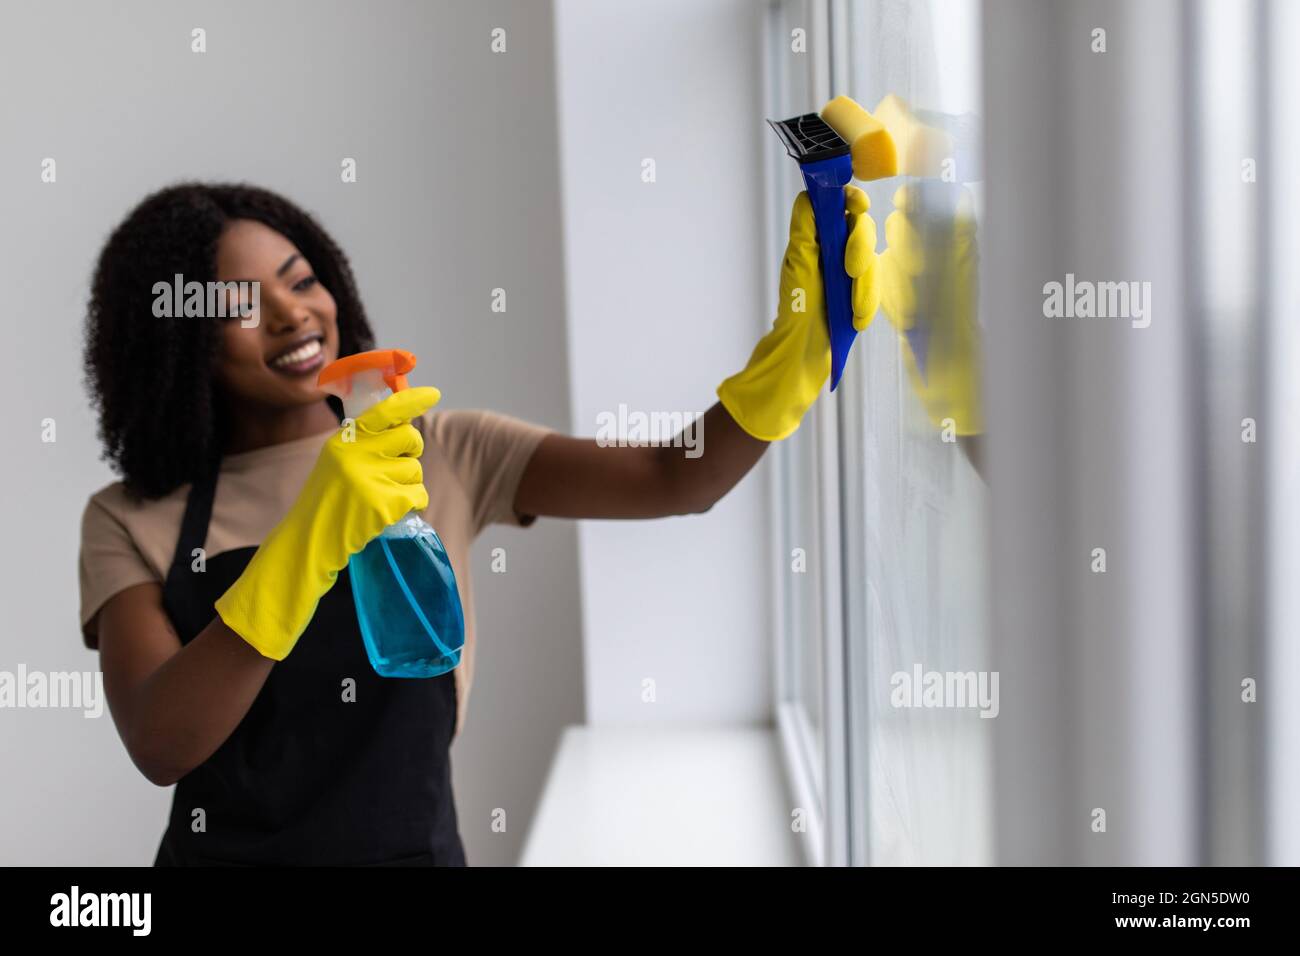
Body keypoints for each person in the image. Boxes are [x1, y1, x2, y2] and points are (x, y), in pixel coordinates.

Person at [78, 181, 878, 865]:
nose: (292, 315)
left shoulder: (437, 449)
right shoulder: (133, 518)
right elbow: (160, 739)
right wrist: (311, 537)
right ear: (177, 341)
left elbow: (673, 477)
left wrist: (791, 359)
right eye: (244, 306)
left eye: (301, 280)